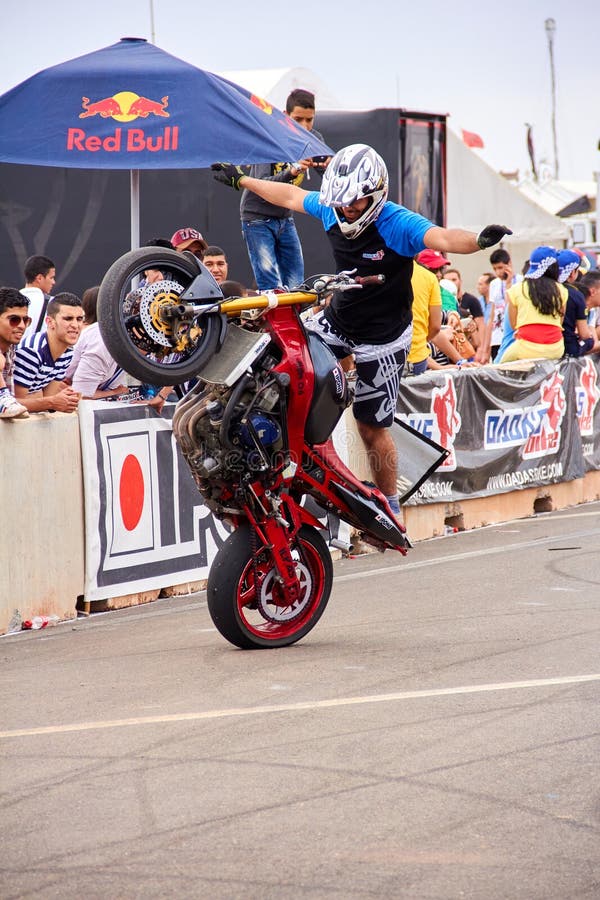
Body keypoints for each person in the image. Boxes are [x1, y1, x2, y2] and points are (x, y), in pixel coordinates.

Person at [212, 143, 511, 515]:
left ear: (376, 194)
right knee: (287, 366)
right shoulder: (331, 210)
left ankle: (391, 503)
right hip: (338, 320)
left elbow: (444, 238)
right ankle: (271, 454)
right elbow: (289, 194)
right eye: (340, 204)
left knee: (370, 426)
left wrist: (478, 241)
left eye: (354, 203)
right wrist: (242, 180)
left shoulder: (396, 222)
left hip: (384, 337)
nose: (346, 211)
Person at [238, 89, 327, 291]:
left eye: (309, 120)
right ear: (286, 116)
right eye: (298, 119)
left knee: (297, 283)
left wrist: (329, 164)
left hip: (285, 217)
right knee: (271, 284)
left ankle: (296, 321)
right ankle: (274, 322)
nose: (304, 126)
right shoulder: (270, 138)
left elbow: (329, 174)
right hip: (257, 218)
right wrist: (292, 171)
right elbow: (261, 183)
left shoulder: (313, 138)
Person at [14, 292, 83, 413]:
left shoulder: (67, 353)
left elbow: (47, 399)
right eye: (68, 319)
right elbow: (15, 404)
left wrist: (61, 399)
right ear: (49, 322)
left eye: (79, 319)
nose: (75, 325)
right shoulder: (32, 352)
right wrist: (47, 400)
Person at [497, 246, 567, 363]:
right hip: (556, 348)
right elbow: (560, 321)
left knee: (501, 364)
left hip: (525, 348)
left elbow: (514, 325)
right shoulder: (561, 290)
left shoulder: (516, 289)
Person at [558, 249, 600, 357]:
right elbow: (585, 335)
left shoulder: (551, 289)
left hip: (551, 343)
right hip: (568, 347)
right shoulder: (576, 295)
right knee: (589, 342)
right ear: (572, 273)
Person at [484, 247, 522, 362]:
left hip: (515, 336)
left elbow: (510, 305)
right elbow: (491, 316)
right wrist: (486, 347)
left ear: (509, 263)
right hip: (497, 337)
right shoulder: (494, 284)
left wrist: (509, 283)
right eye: (495, 269)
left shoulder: (521, 281)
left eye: (500, 268)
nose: (498, 272)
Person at [406, 259, 441, 375]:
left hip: (382, 353)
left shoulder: (379, 273)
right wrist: (420, 340)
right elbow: (436, 326)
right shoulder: (429, 277)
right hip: (417, 356)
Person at [0, 287, 30, 418]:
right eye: (14, 320)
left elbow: (11, 400)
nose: (22, 326)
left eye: (25, 320)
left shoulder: (11, 348)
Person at [444, 267, 485, 350]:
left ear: (460, 281)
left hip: (468, 346)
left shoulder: (471, 300)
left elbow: (480, 325)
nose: (451, 283)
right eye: (448, 281)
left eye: (454, 279)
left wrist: (482, 349)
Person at [20, 255, 56, 338]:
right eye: (51, 277)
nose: (53, 282)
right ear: (39, 278)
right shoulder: (54, 304)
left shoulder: (7, 301)